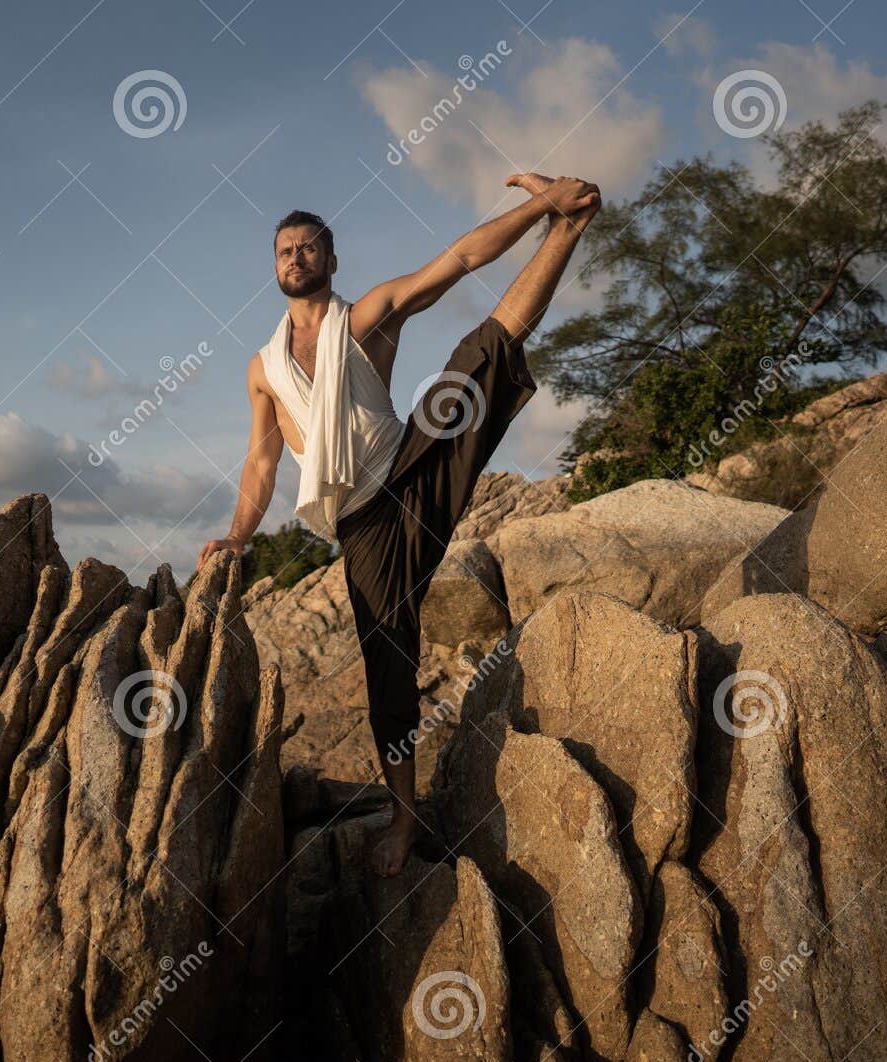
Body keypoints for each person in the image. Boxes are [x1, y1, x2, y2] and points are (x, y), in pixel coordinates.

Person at [197, 172, 600, 876]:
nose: (296, 257)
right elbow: (261, 461)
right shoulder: (262, 369)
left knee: (481, 353)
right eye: (285, 249)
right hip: (362, 525)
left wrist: (541, 204)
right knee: (389, 661)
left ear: (331, 260)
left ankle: (568, 227)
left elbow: (460, 261)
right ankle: (404, 816)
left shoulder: (367, 316)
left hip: (411, 460)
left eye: (309, 247)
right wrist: (237, 534)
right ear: (274, 266)